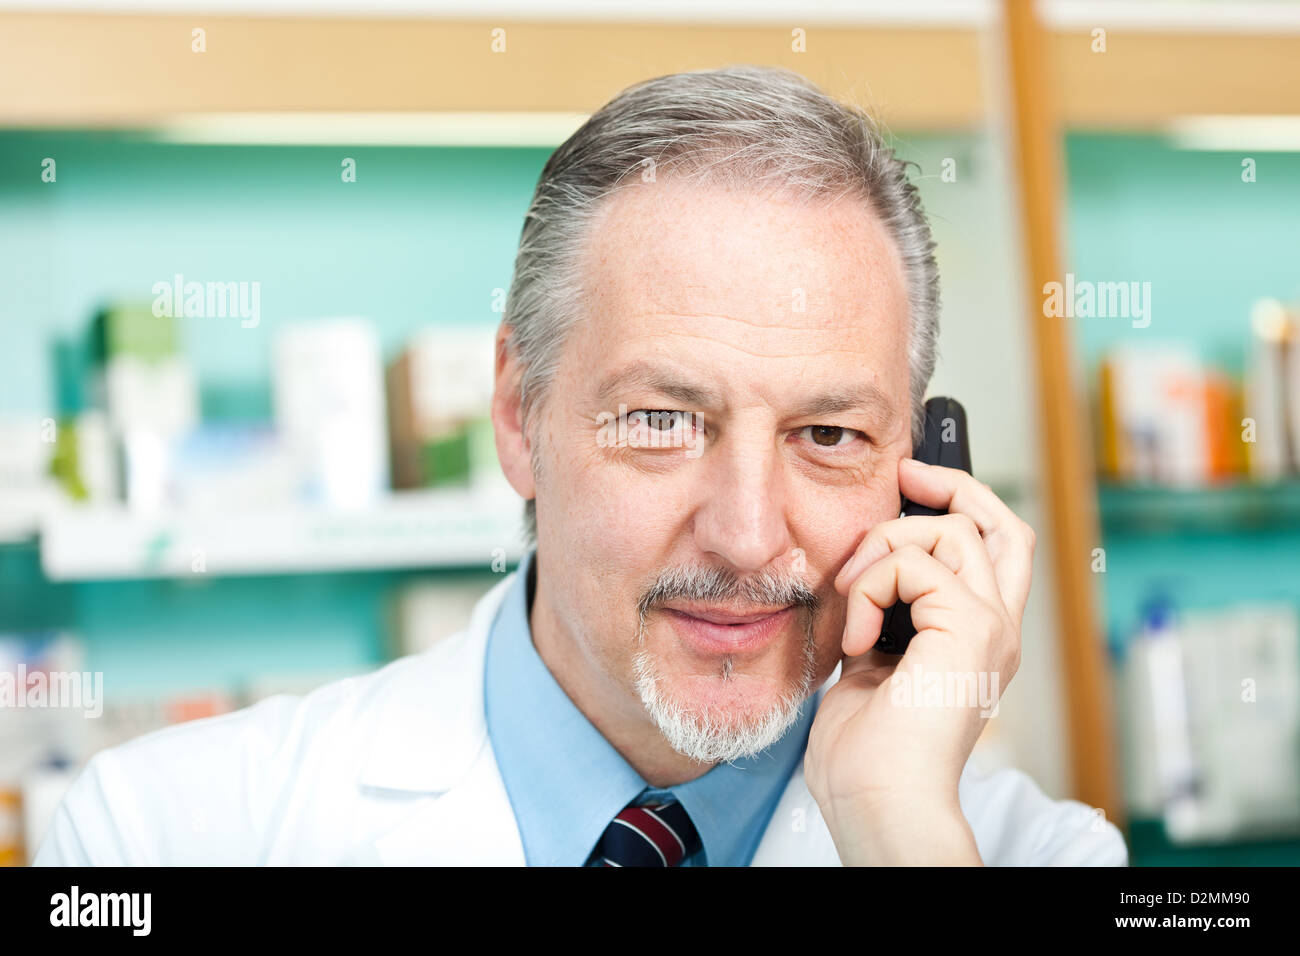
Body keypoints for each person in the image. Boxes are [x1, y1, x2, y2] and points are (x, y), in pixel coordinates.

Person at [37, 65, 1126, 866]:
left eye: (827, 435)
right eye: (662, 419)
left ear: (920, 473)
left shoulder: (1023, 850)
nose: (748, 535)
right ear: (517, 414)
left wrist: (892, 824)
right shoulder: (156, 833)